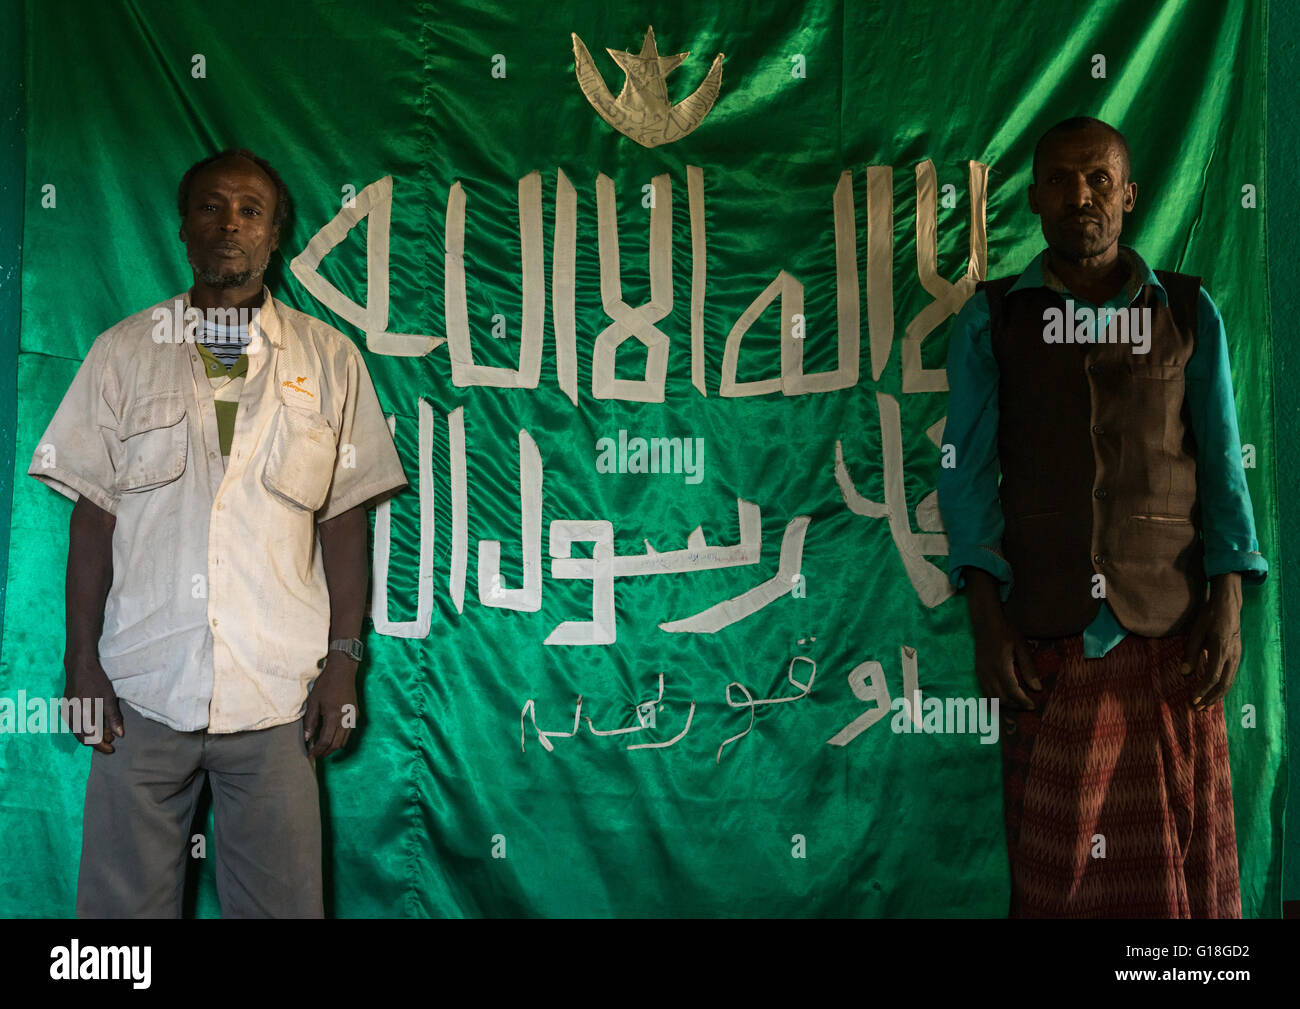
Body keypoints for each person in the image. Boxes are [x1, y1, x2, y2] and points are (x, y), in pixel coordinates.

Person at [29, 148, 408, 917]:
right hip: (140, 691)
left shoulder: (330, 359)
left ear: (274, 237)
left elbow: (344, 522)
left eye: (249, 210)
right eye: (210, 206)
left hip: (275, 696)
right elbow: (94, 516)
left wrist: (344, 665)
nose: (228, 223)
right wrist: (80, 661)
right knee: (117, 927)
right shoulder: (124, 351)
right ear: (182, 228)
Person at [937, 117, 1267, 918]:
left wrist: (1227, 604)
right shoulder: (992, 322)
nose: (1078, 196)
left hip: (1170, 650)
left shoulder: (1187, 310)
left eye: (1096, 180)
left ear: (1128, 195)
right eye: (1058, 180)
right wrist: (987, 618)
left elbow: (1224, 466)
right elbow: (966, 477)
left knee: (1178, 890)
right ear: (1033, 197)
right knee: (1057, 881)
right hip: (1052, 645)